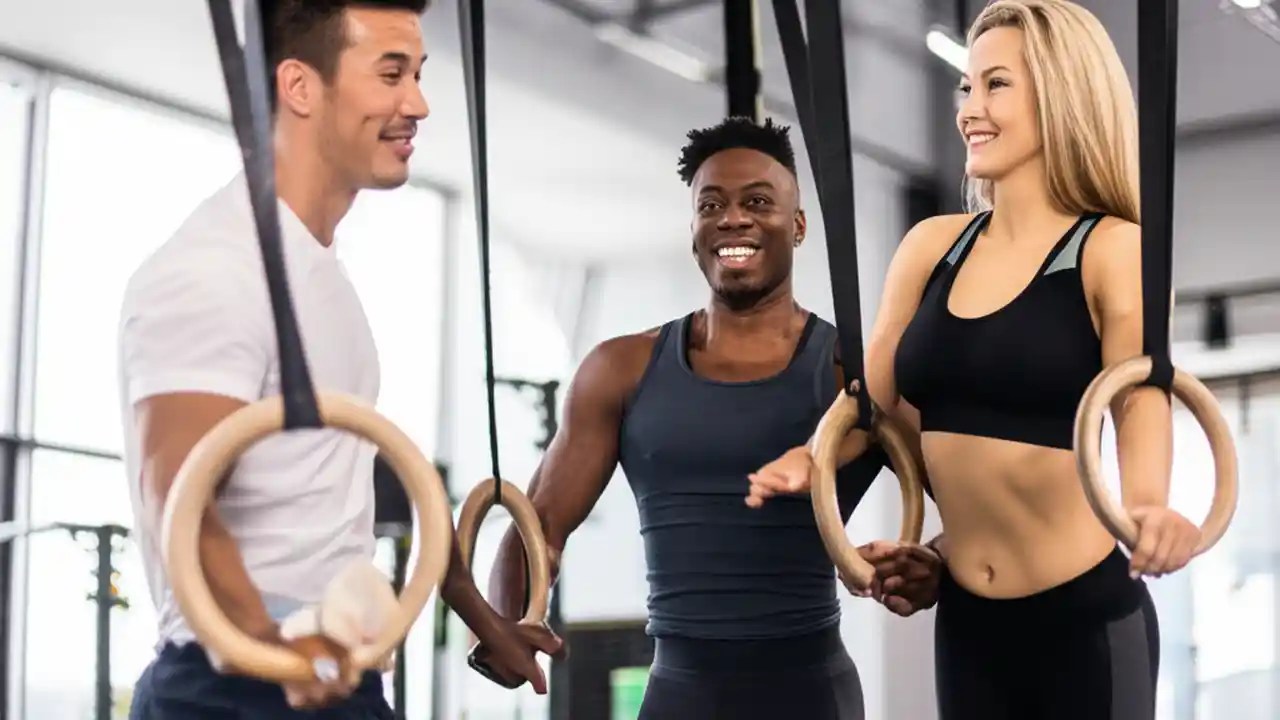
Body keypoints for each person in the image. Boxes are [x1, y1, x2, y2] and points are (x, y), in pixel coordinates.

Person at [748, 1, 1199, 718]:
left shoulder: (1113, 249)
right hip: (967, 622)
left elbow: (1140, 395)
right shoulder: (932, 247)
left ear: (1061, 95)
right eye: (966, 86)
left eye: (997, 85)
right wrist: (814, 458)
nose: (970, 108)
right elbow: (874, 406)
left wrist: (1146, 506)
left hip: (1083, 620)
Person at [119, 2, 559, 717]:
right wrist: (269, 647)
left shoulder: (321, 270)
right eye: (390, 75)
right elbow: (176, 494)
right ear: (298, 86)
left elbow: (343, 482)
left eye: (416, 75)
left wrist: (481, 615)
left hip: (336, 676)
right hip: (235, 686)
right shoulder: (213, 270)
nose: (416, 103)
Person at [476, 116, 940, 719]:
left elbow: (973, 509)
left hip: (810, 692)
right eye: (711, 204)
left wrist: (930, 563)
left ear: (797, 226)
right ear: (694, 228)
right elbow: (538, 529)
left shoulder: (854, 373)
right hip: (680, 693)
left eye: (758, 202)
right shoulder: (619, 370)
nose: (733, 218)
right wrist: (503, 622)